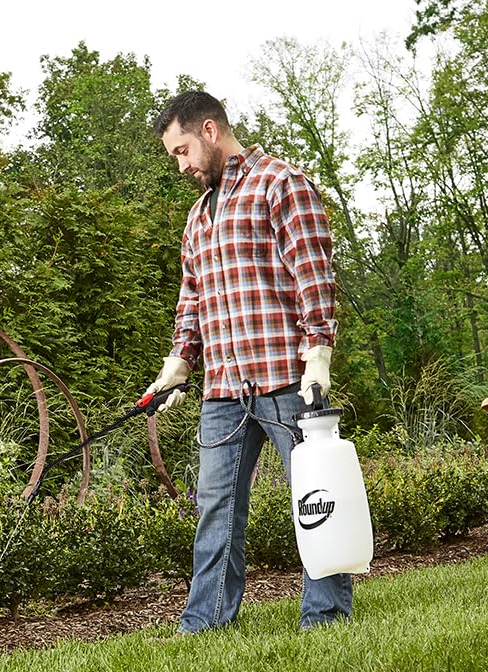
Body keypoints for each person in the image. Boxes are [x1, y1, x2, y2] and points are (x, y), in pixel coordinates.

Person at [143, 90, 352, 633]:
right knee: (215, 508)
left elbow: (314, 276)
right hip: (224, 391)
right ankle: (205, 624)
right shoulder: (197, 217)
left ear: (209, 131)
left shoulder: (281, 184)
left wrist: (319, 354)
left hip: (287, 379)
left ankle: (326, 616)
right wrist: (179, 362)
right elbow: (193, 295)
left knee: (316, 498)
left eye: (182, 150)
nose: (182, 165)